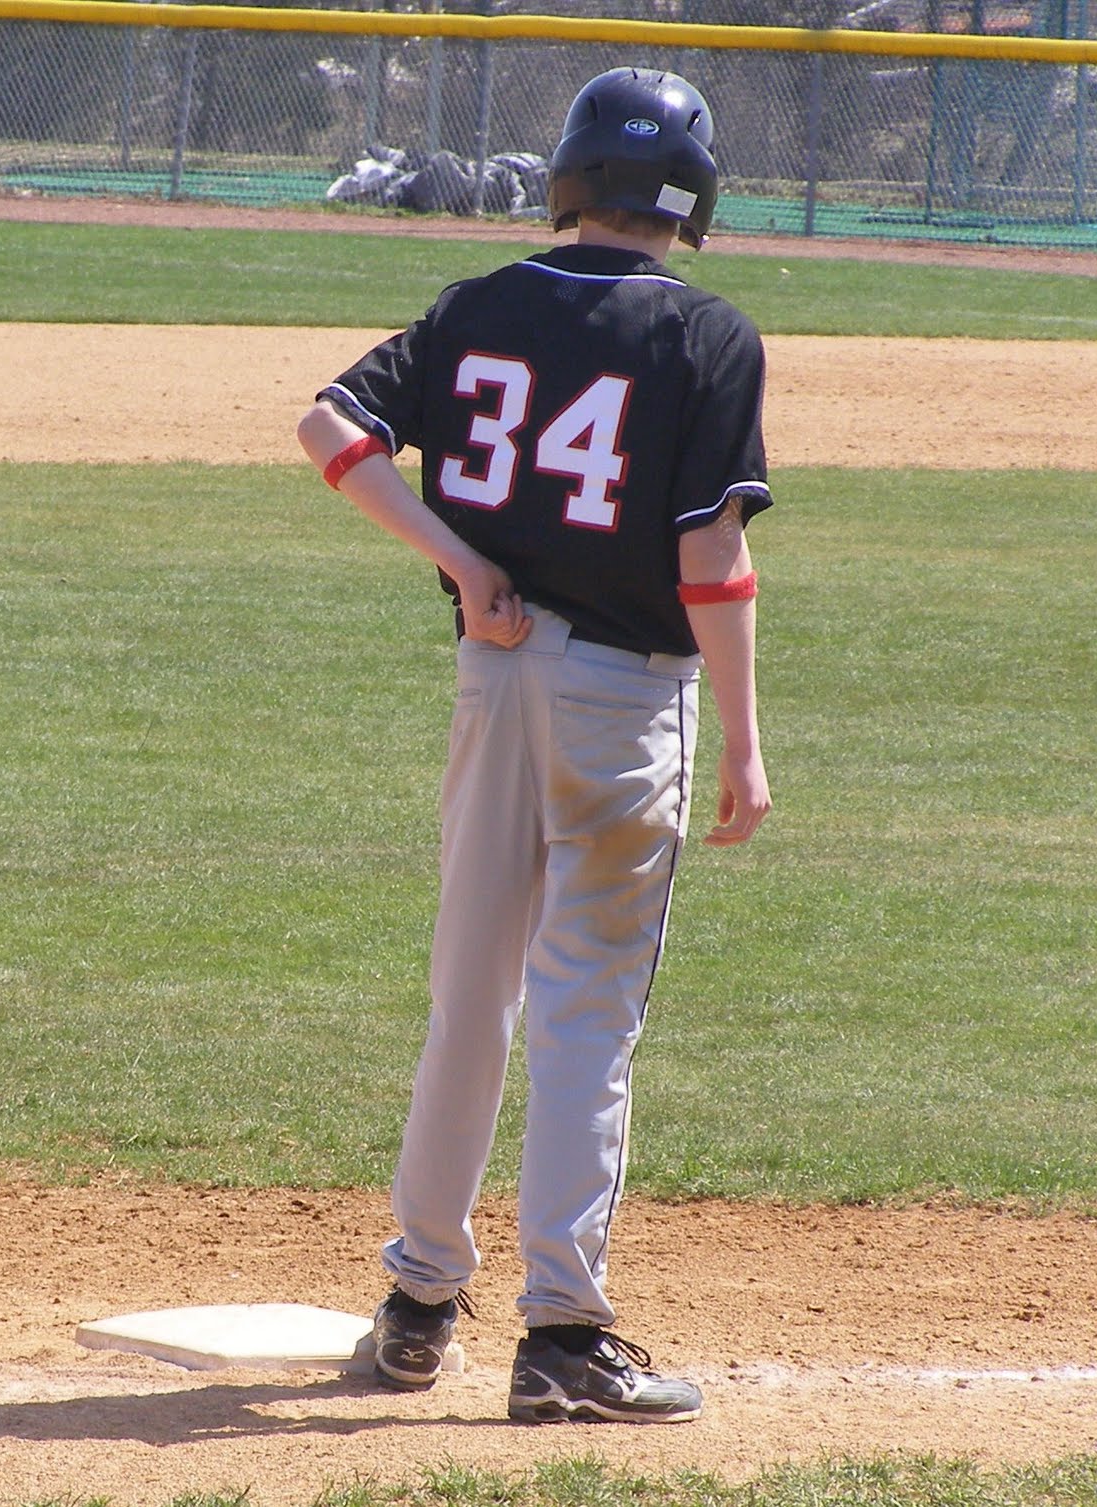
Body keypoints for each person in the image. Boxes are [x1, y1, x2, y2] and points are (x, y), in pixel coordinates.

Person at [297, 65, 772, 1425]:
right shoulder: (708, 335)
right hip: (621, 703)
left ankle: (414, 1306)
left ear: (570, 178)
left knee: (469, 1001)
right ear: (689, 202)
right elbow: (710, 555)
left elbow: (329, 425)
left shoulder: (482, 302)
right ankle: (563, 1337)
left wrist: (462, 561)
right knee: (584, 1017)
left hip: (489, 679)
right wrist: (743, 739)